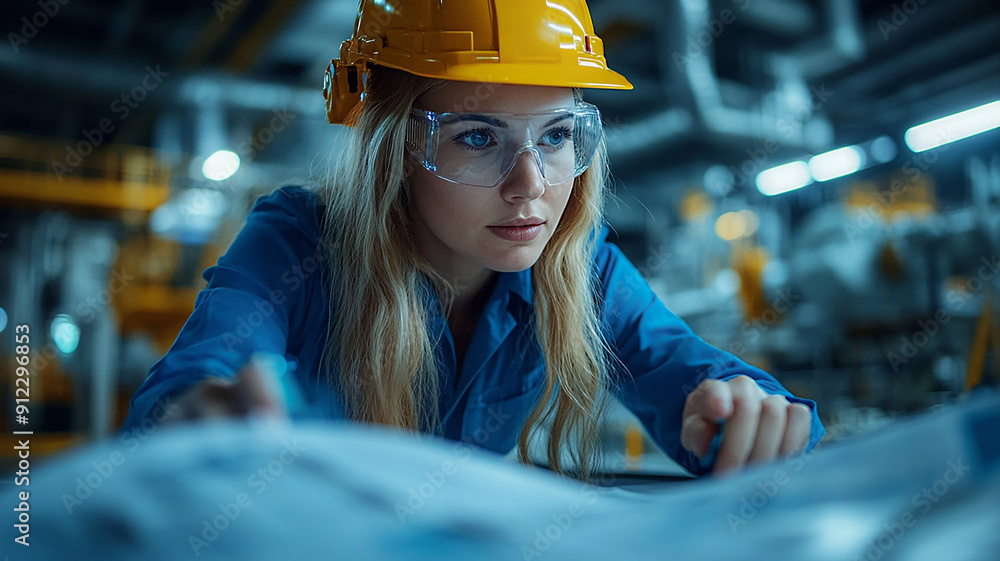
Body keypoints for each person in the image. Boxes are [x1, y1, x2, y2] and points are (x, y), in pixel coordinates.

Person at [122, 0, 824, 479]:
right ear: (393, 150)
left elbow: (699, 373)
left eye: (556, 136)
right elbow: (197, 380)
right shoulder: (302, 244)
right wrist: (199, 417)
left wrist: (742, 412)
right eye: (477, 137)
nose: (531, 185)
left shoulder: (581, 269)